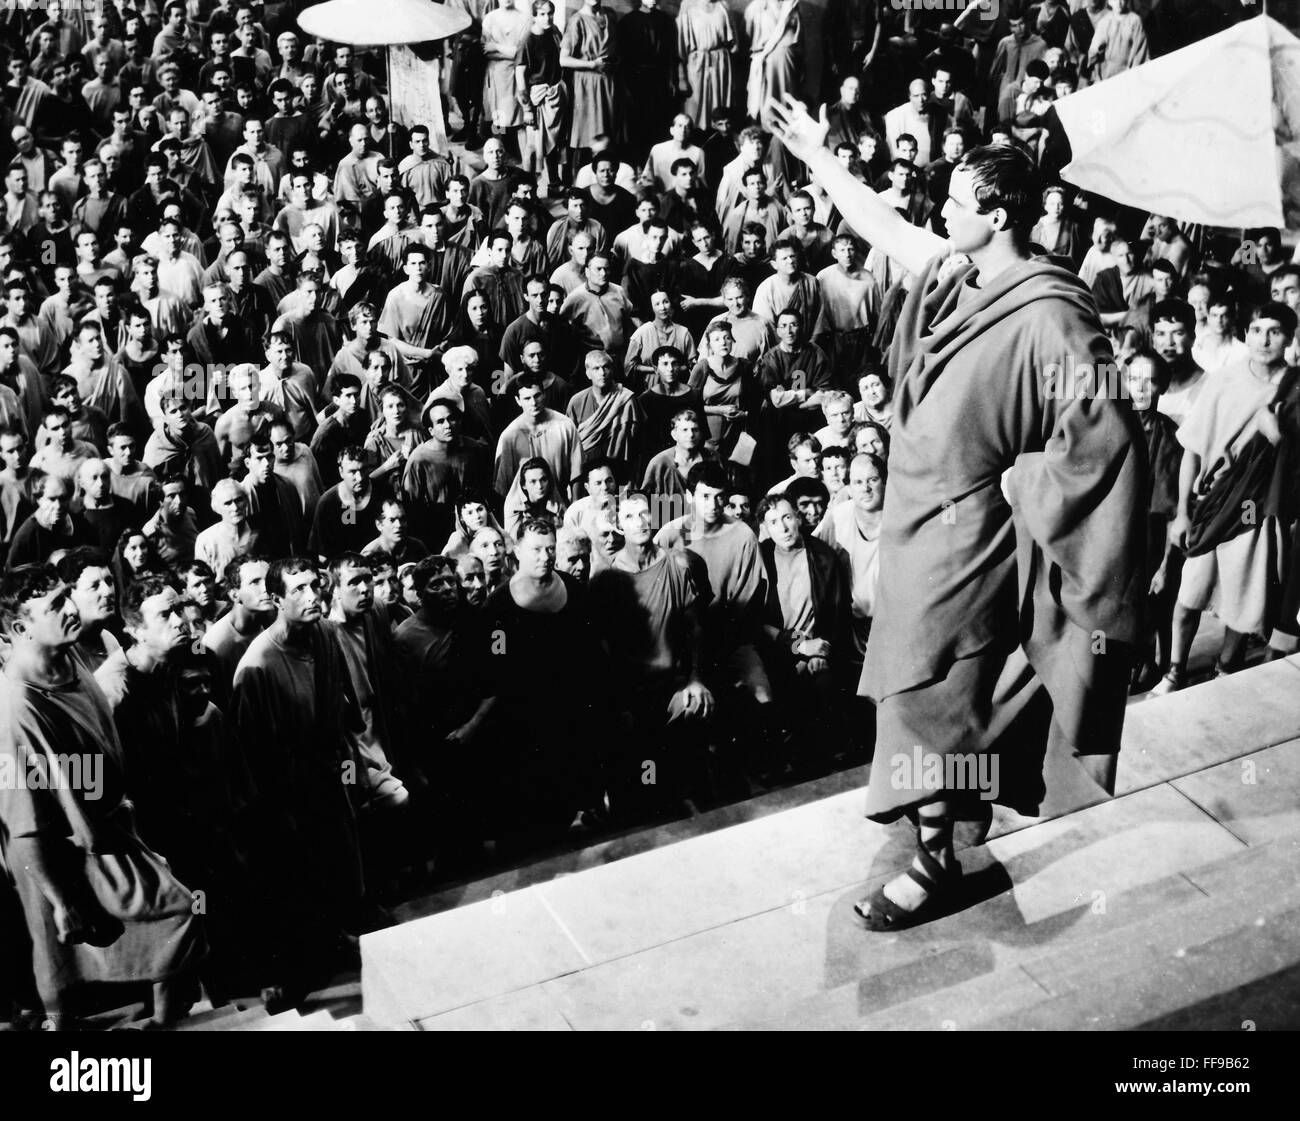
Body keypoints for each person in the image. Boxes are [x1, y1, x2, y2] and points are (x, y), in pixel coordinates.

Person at [768, 96, 1145, 930]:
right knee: (920, 699)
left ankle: (940, 855)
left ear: (1000, 215)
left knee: (934, 702)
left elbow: (1109, 433)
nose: (943, 213)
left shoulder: (1052, 313)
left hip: (971, 542)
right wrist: (823, 158)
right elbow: (893, 230)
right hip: (913, 527)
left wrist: (1027, 480)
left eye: (959, 204)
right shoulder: (959, 271)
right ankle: (944, 831)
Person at [0, 565, 203, 1030]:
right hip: (56, 852)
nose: (72, 608)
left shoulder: (71, 662)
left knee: (175, 916)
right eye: (54, 606)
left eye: (67, 595)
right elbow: (24, 824)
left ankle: (161, 1026)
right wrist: (59, 900)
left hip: (108, 829)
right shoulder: (15, 708)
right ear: (19, 628)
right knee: (59, 961)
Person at [229, 556, 365, 1007]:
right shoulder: (256, 667)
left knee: (338, 867)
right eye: (299, 590)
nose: (312, 596)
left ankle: (336, 937)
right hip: (284, 794)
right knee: (294, 881)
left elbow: (340, 705)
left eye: (315, 586)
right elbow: (251, 756)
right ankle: (295, 972)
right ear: (275, 599)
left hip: (327, 776)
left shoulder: (326, 634)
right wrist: (279, 809)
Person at [1155, 303, 1297, 693]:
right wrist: (1182, 512)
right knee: (1189, 595)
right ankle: (1174, 671)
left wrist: (1278, 436)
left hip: (1257, 509)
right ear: (1245, 334)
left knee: (1242, 599)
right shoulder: (1223, 380)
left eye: (1274, 331)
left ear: (1290, 338)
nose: (1264, 340)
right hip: (1214, 501)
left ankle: (1226, 670)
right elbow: (1192, 449)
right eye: (1256, 330)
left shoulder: (1294, 389)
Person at [588, 490, 715, 814]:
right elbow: (602, 649)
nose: (640, 522)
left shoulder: (677, 563)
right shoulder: (607, 579)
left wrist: (695, 680)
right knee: (641, 790)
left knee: (693, 724)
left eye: (645, 513)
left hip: (673, 684)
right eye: (630, 516)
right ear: (618, 525)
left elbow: (695, 628)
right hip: (632, 692)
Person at [566, 349, 640, 483]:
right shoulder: (577, 401)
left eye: (606, 367)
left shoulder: (626, 399)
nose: (602, 373)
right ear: (588, 373)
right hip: (585, 470)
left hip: (620, 468)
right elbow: (571, 442)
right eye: (596, 368)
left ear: (612, 370)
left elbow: (635, 440)